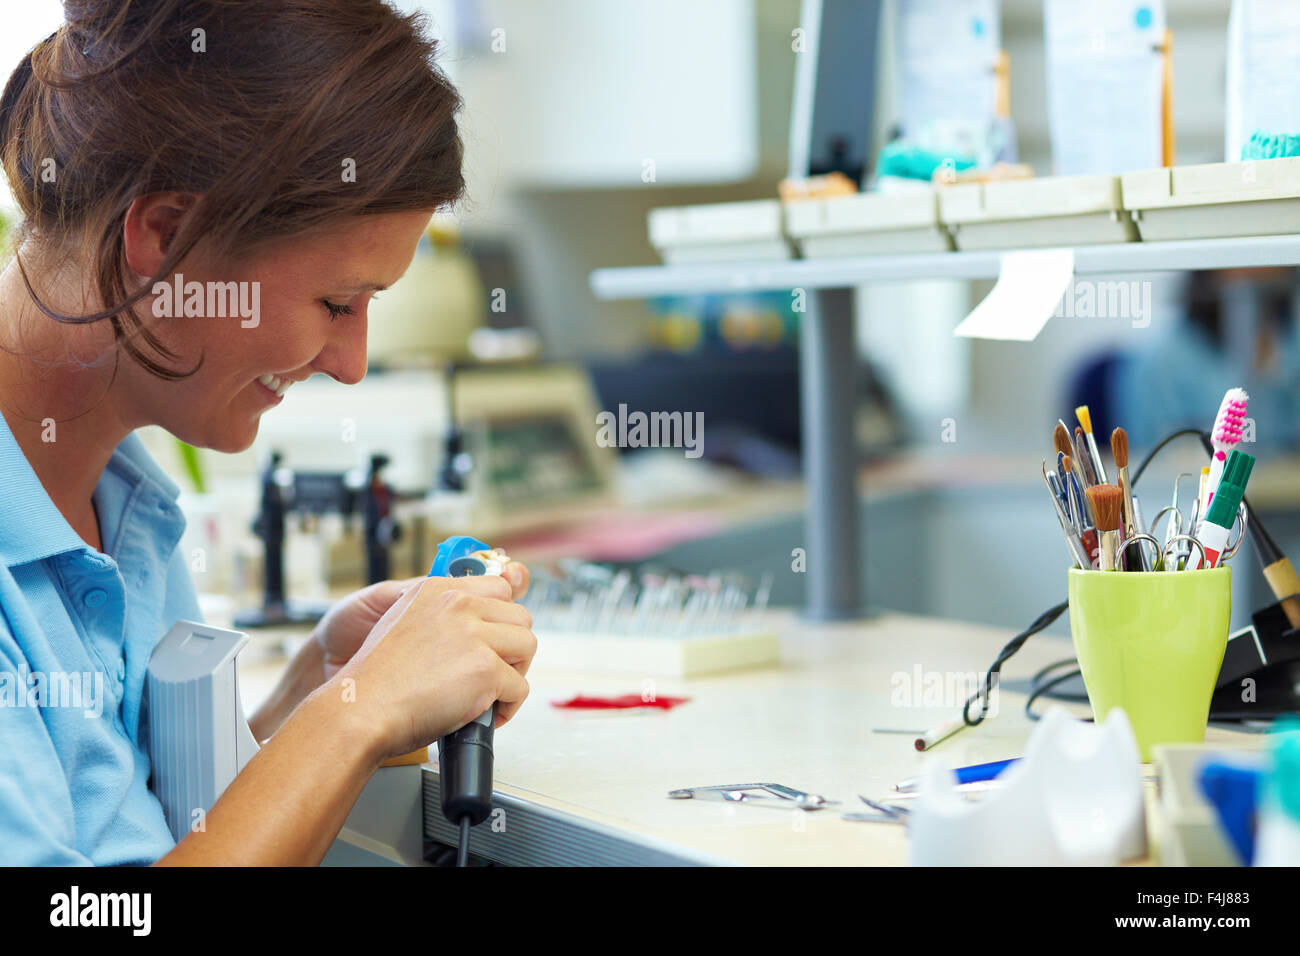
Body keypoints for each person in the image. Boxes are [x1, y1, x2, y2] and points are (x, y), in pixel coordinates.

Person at [0, 0, 537, 865]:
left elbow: (139, 834)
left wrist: (311, 690)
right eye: (337, 303)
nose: (353, 363)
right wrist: (358, 713)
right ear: (167, 237)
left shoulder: (120, 504)